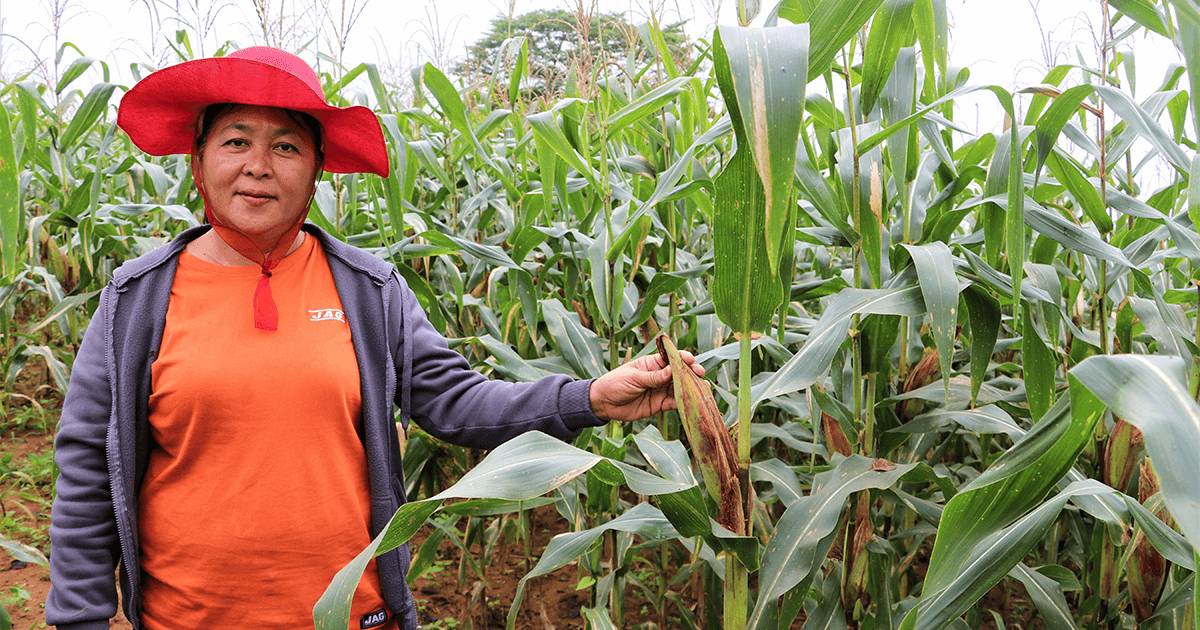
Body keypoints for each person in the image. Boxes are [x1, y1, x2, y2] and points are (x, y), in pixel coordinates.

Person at [45, 46, 703, 630]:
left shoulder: (367, 290)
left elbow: (457, 403)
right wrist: (80, 616)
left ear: (318, 169)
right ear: (199, 159)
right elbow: (85, 466)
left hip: (349, 614)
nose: (258, 167)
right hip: (186, 617)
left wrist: (591, 396)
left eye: (286, 147)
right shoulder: (139, 298)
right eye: (236, 141)